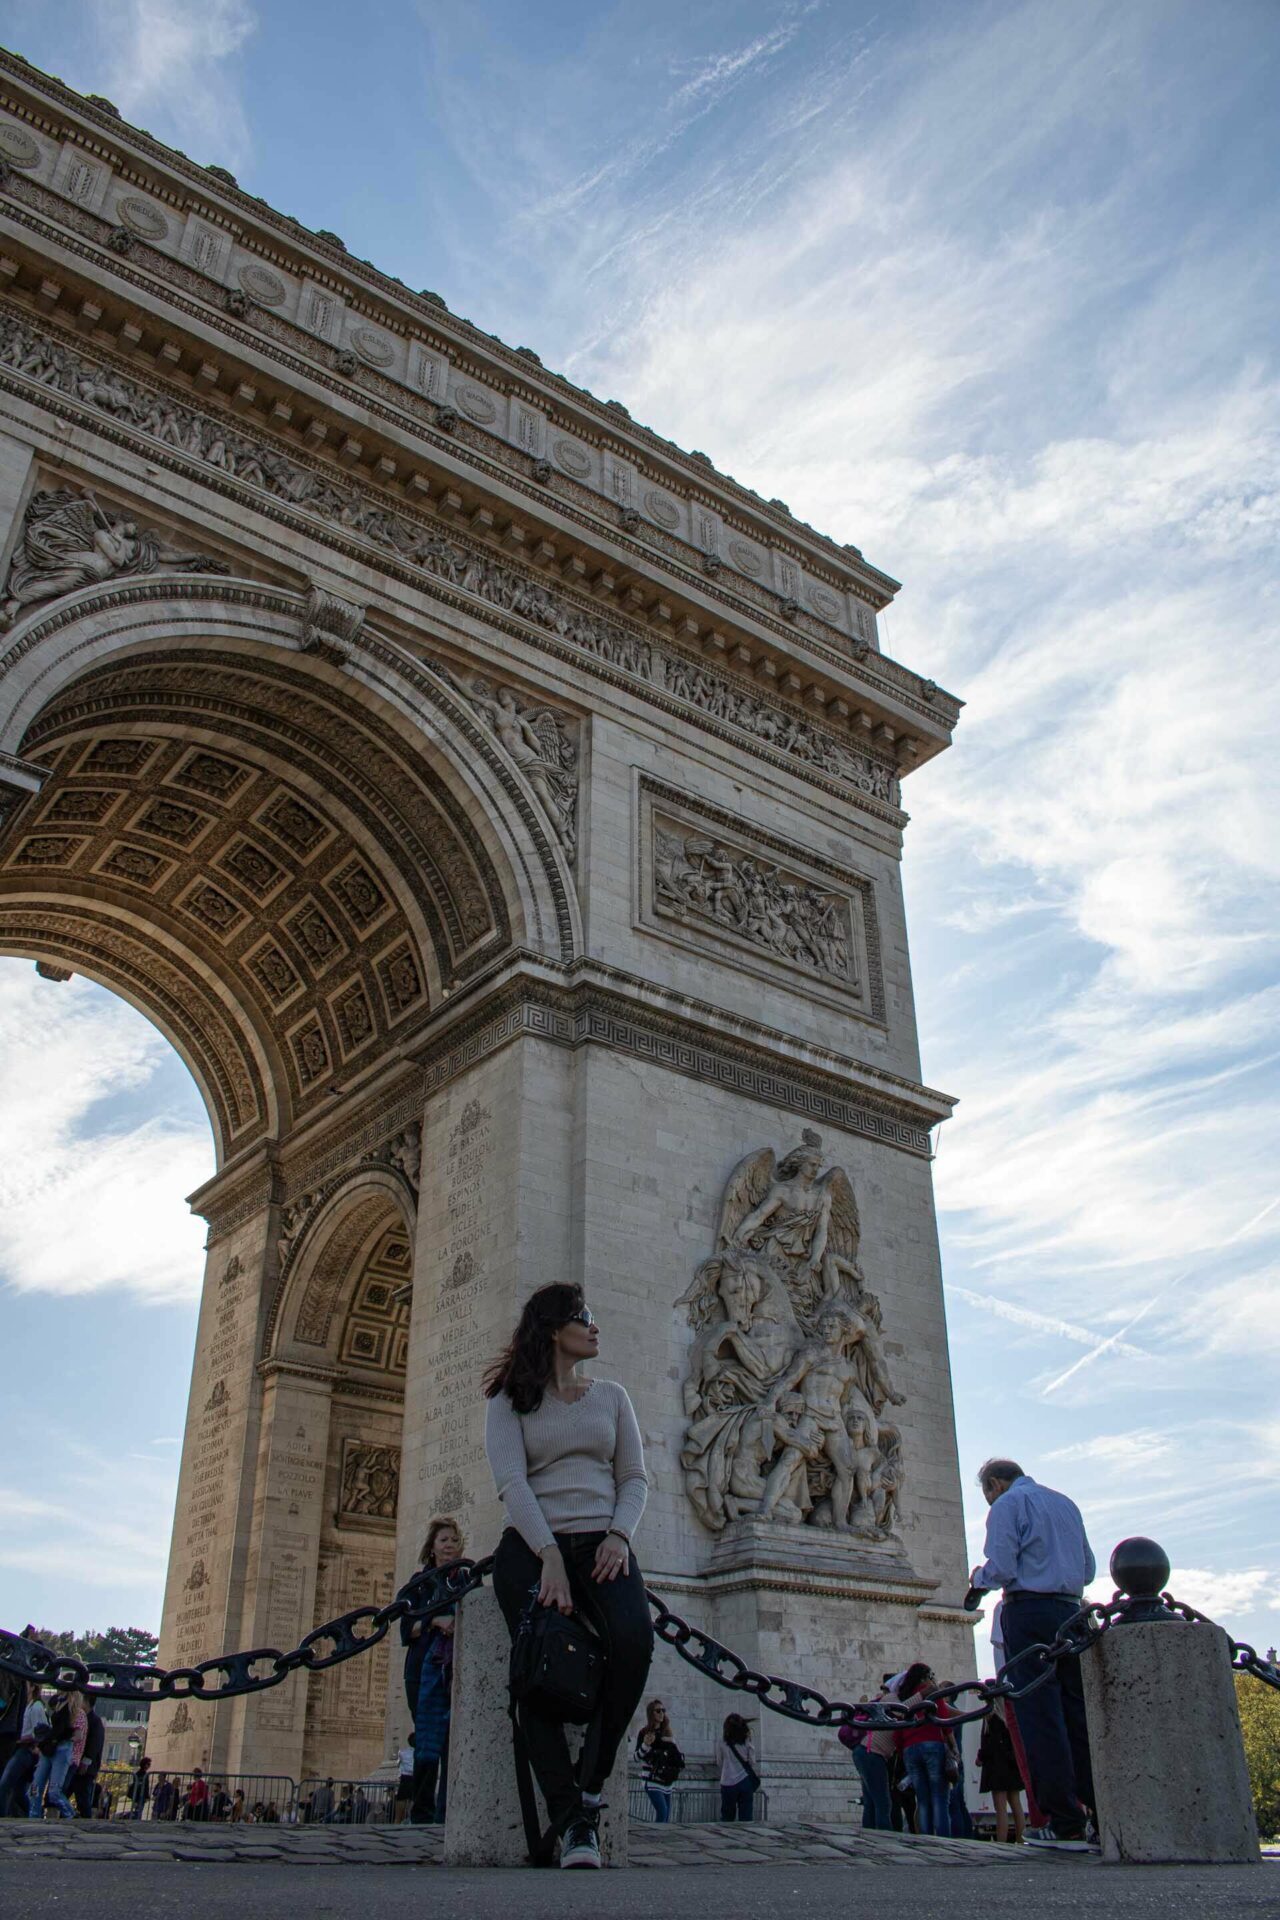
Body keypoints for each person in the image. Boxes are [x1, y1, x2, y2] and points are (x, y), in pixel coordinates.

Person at [485, 1281, 652, 1870]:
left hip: (603, 1544)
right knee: (536, 1670)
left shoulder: (612, 1396)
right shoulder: (508, 1401)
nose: (595, 1326)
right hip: (532, 1547)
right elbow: (512, 1484)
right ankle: (572, 1822)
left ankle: (591, 1784)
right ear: (556, 1329)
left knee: (633, 1643)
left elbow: (634, 1477)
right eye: (585, 1317)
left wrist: (619, 1534)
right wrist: (548, 1554)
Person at [971, 1457, 1096, 1852]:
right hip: (1073, 1613)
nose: (989, 1502)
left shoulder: (1007, 1506)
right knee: (1078, 1715)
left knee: (1039, 1716)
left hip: (1029, 1612)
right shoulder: (1065, 1503)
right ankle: (1098, 1812)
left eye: (986, 1494)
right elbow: (1089, 1569)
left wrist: (978, 1580)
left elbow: (1003, 1567)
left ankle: (1063, 1823)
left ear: (994, 1484)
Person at [401, 1515, 464, 1824]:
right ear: (432, 1547)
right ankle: (422, 1811)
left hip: (458, 1671)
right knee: (427, 1738)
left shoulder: (467, 1579)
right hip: (421, 1671)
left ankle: (448, 1812)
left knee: (454, 1740)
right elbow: (405, 1628)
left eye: (454, 1539)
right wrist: (436, 1621)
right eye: (444, 1540)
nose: (450, 1544)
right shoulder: (417, 1585)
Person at [893, 1662, 957, 1837]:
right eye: (931, 1675)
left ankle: (926, 1839)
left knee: (921, 1800)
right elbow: (944, 1719)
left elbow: (898, 1730)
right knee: (939, 1798)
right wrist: (953, 1747)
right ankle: (944, 1840)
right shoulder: (932, 1692)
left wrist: (902, 1751)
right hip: (932, 1745)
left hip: (909, 1750)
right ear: (925, 1677)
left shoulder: (905, 1696)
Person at [28, 1687, 85, 1819]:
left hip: (62, 1748)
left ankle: (71, 1815)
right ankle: (34, 1815)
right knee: (35, 1787)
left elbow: (78, 1735)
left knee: (54, 1791)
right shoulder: (58, 1704)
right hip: (52, 1747)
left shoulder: (75, 1711)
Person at [978, 1700, 1025, 1843]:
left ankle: (1001, 1842)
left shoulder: (991, 1719)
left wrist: (980, 1757)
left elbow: (989, 1746)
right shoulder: (1008, 1718)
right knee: (1016, 1804)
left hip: (996, 1767)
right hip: (1011, 1766)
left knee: (1000, 1808)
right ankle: (1021, 1838)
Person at [0, 1683, 47, 1817]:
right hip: (19, 1748)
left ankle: (2, 1816)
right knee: (18, 1791)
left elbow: (41, 1731)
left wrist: (25, 1739)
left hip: (26, 1750)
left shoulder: (37, 1706)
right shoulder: (25, 1706)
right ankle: (34, 1814)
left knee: (5, 1784)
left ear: (32, 1688)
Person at [634, 1698, 684, 1822]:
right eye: (658, 1711)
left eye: (663, 1710)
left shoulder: (667, 1732)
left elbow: (677, 1756)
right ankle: (655, 1838)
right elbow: (636, 1757)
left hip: (667, 1780)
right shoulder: (644, 1732)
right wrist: (645, 1745)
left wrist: (672, 1742)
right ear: (651, 1713)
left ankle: (660, 1838)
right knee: (662, 1812)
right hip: (652, 1779)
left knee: (666, 1816)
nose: (662, 1713)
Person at [716, 1713, 758, 1822]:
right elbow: (752, 1762)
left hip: (727, 1782)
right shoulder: (746, 1742)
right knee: (746, 1817)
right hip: (744, 1781)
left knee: (727, 1817)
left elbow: (719, 1762)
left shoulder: (722, 1742)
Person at [70, 1699, 104, 1819]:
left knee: (82, 1796)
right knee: (77, 1793)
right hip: (79, 1763)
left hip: (86, 1767)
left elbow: (94, 1744)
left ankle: (85, 1818)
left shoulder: (94, 1721)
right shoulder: (88, 1719)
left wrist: (85, 1762)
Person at [394, 1734, 415, 1823]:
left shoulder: (402, 1753)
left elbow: (398, 1764)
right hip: (415, 1779)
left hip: (405, 1779)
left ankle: (397, 1823)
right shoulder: (419, 1753)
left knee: (400, 1806)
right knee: (412, 1803)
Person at [129, 1754, 151, 1820]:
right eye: (148, 1764)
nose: (149, 1766)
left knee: (138, 1810)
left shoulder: (139, 1773)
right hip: (140, 1795)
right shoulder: (143, 1774)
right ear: (144, 1765)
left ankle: (136, 1819)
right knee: (138, 1810)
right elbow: (145, 1786)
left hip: (138, 1795)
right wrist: (147, 1796)